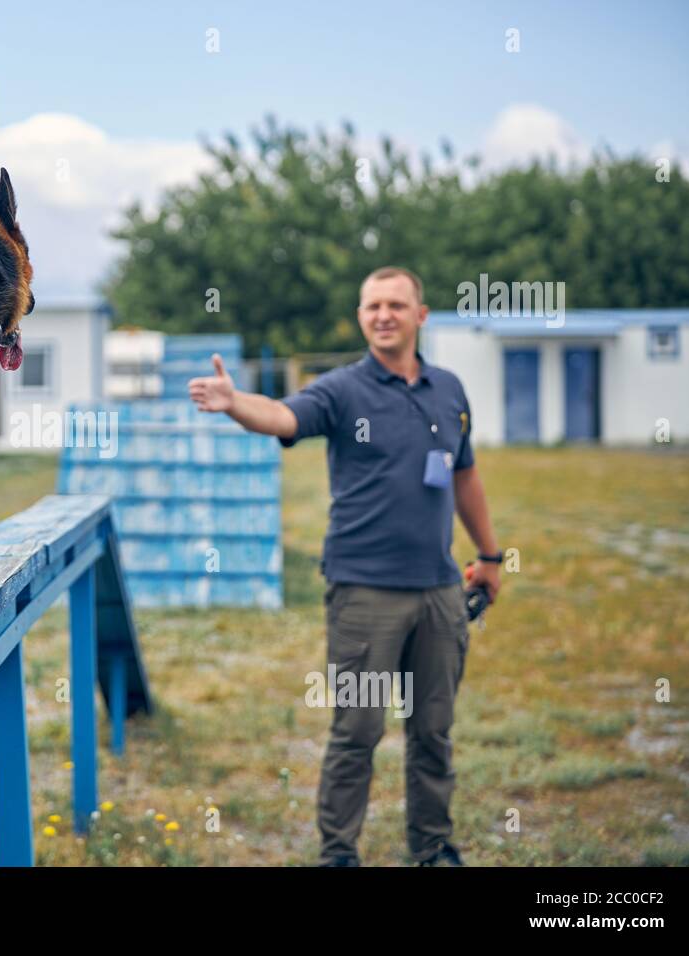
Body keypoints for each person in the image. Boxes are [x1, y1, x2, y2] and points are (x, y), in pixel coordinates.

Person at [188, 266, 501, 866]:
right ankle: (338, 853)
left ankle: (434, 848)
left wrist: (488, 555)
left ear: (421, 315)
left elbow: (464, 475)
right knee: (357, 733)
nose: (383, 315)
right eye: (371, 306)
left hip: (439, 591)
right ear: (361, 317)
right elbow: (284, 416)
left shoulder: (450, 390)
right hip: (364, 593)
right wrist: (235, 404)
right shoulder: (342, 391)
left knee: (433, 731)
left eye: (395, 304)